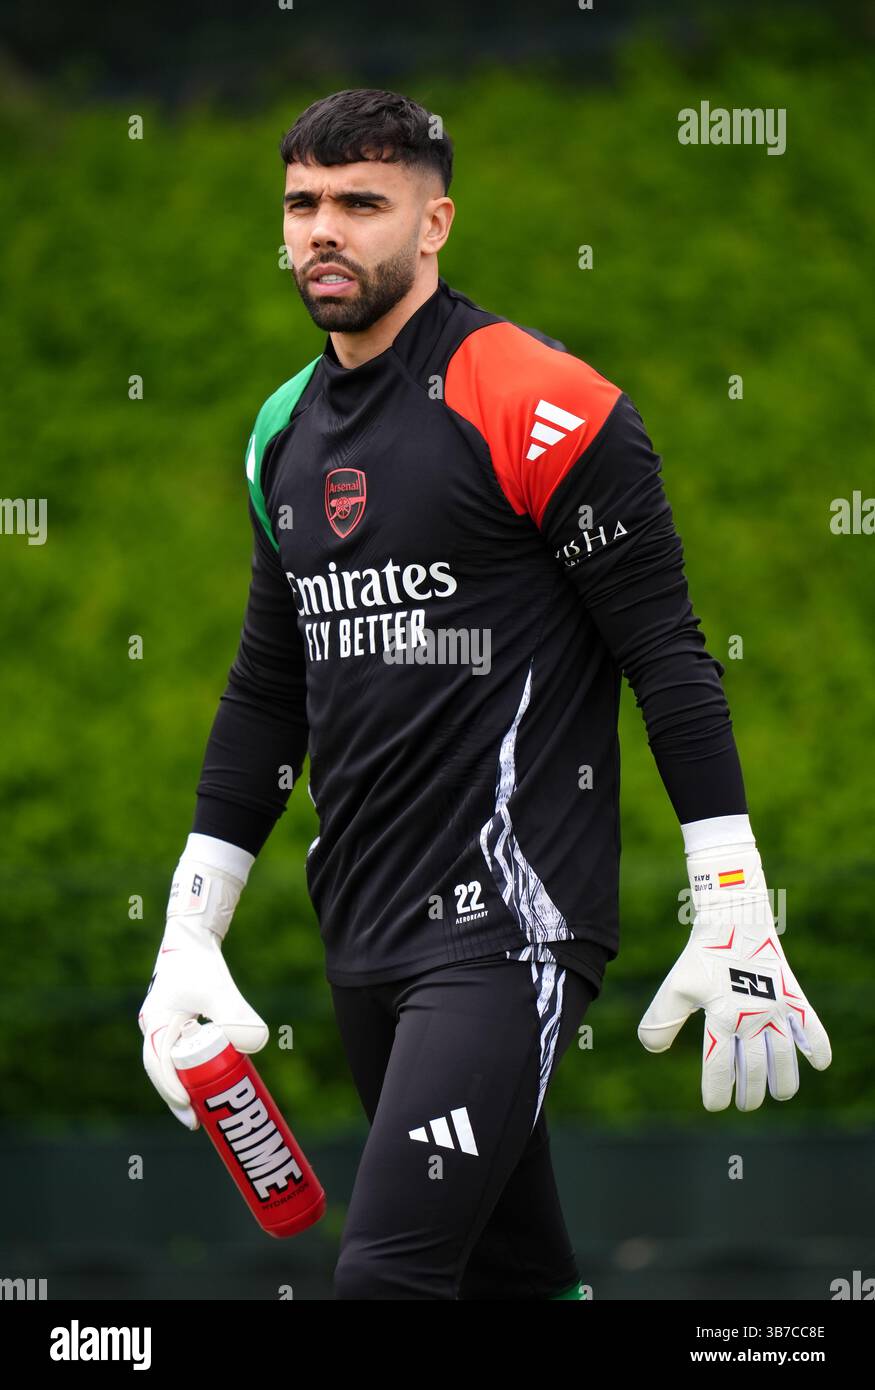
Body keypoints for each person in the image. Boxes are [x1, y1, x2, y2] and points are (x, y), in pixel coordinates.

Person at [139, 88, 832, 1300]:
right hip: (360, 929)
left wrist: (730, 899)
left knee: (388, 1277)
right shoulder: (278, 433)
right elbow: (267, 691)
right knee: (510, 1277)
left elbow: (666, 653)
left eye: (363, 204)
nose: (324, 232)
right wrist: (190, 925)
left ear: (435, 220)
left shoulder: (535, 398)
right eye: (303, 204)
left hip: (507, 927)